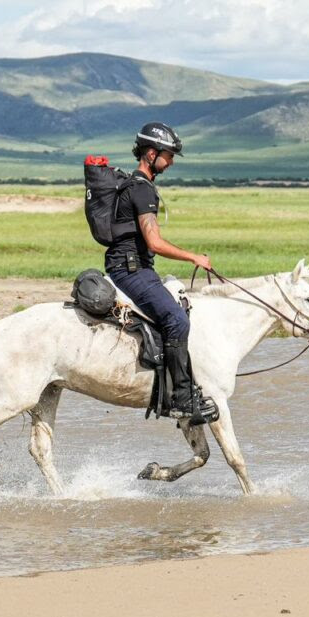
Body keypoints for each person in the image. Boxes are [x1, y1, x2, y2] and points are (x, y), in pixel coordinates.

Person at [105, 122, 217, 426]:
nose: (171, 161)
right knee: (176, 319)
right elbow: (153, 242)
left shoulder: (133, 185)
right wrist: (193, 256)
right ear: (151, 153)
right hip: (131, 270)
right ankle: (181, 399)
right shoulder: (142, 189)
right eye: (168, 155)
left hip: (132, 266)